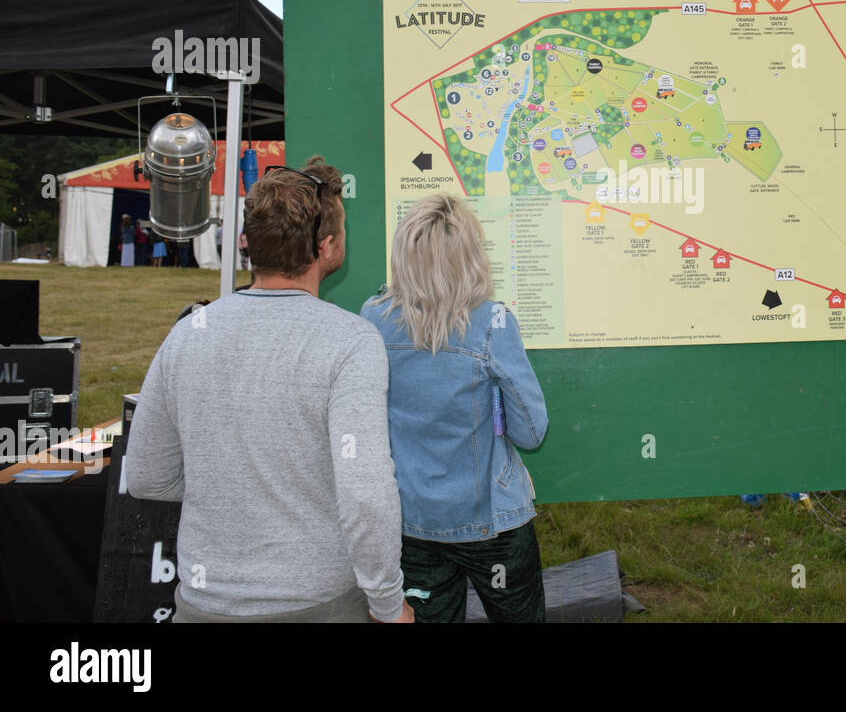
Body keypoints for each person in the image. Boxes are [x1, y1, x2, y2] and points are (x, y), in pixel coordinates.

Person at [126, 157, 413, 623]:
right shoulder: (350, 340)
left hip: (203, 603)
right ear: (326, 247)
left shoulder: (188, 333)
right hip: (317, 604)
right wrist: (387, 603)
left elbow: (145, 476)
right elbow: (365, 493)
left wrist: (232, 492)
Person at [362, 194, 549, 623]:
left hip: (414, 523)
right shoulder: (492, 322)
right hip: (492, 522)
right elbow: (532, 432)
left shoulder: (373, 318)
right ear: (471, 256)